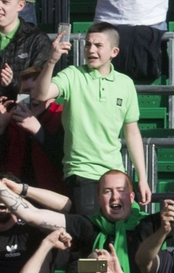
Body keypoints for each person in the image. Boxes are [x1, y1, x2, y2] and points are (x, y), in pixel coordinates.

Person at [30, 23, 149, 212]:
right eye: (87, 44)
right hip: (81, 172)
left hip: (115, 173)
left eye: (98, 45)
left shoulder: (126, 84)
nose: (91, 50)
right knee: (90, 235)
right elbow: (40, 94)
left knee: (123, 234)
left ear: (114, 51)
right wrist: (51, 61)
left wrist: (142, 177)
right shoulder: (72, 75)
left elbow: (132, 133)